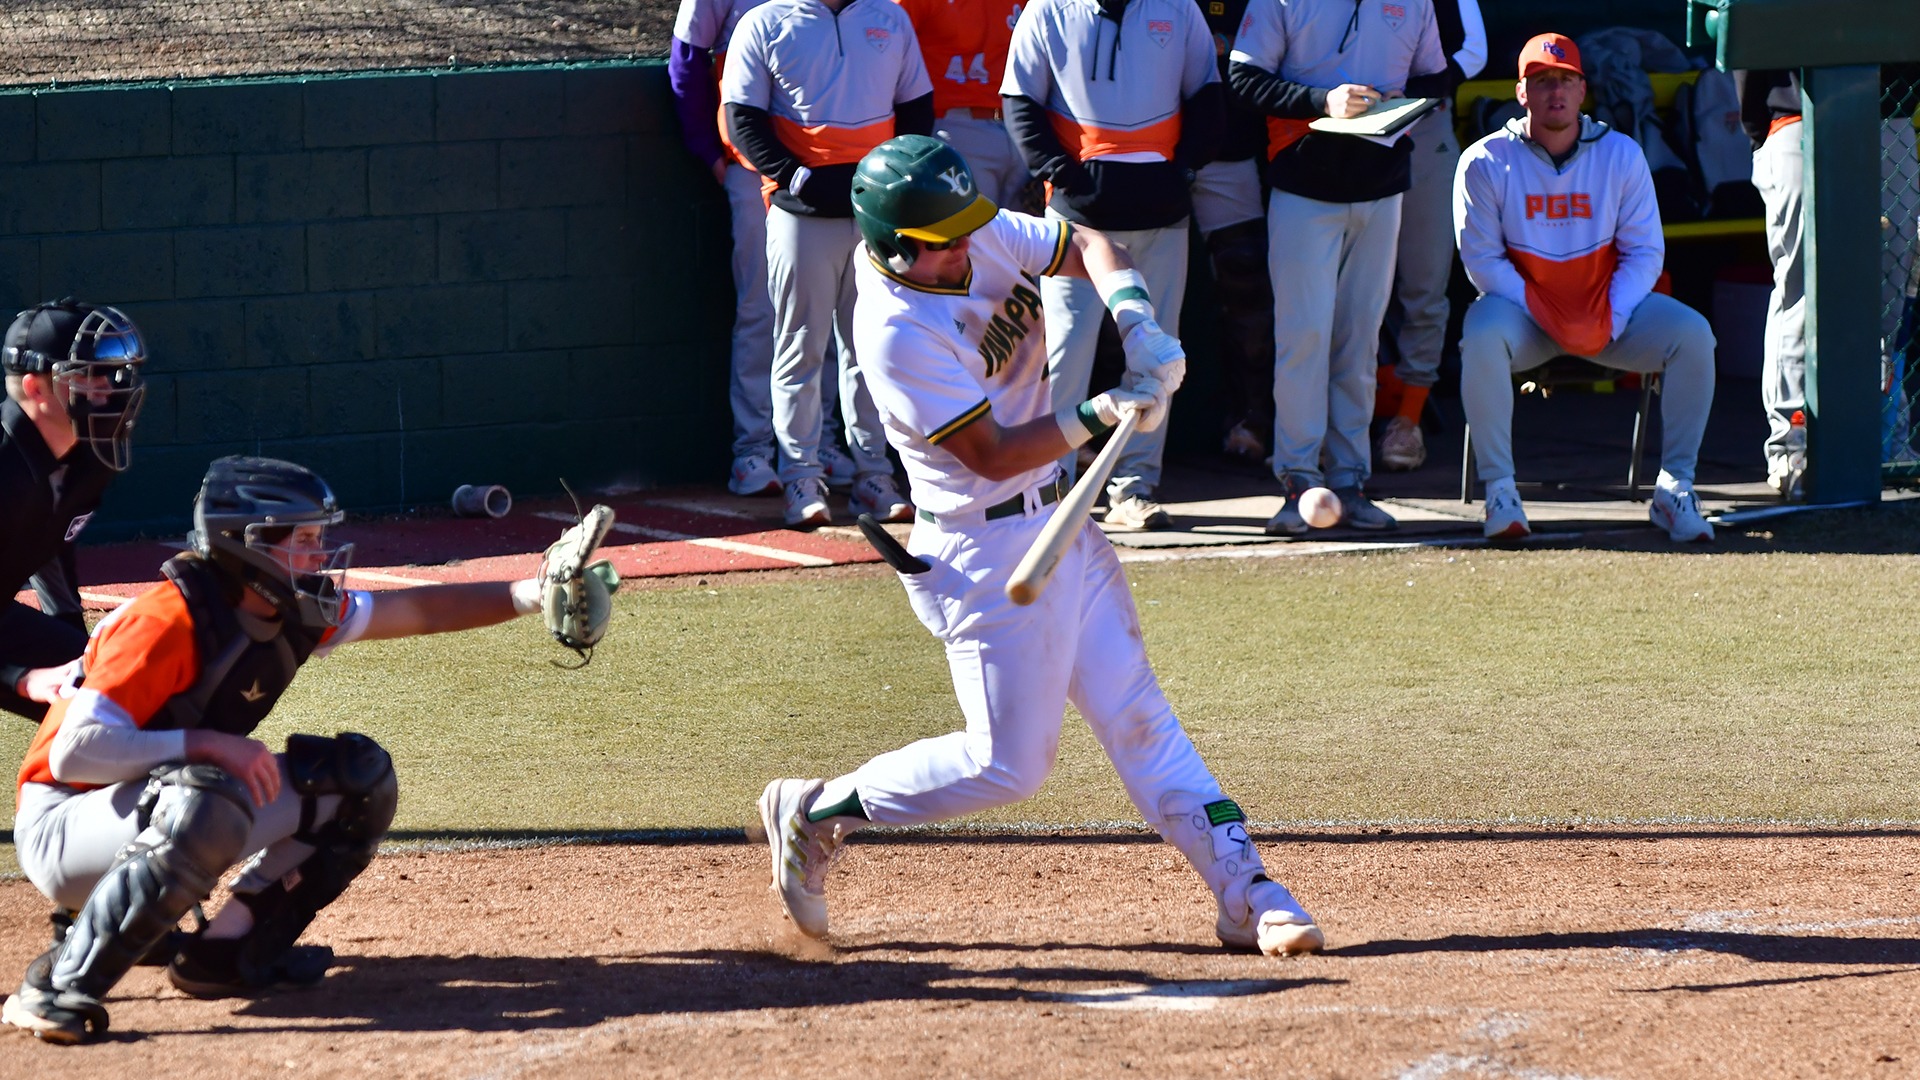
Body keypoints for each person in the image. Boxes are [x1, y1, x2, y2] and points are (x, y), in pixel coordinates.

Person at [756, 135, 1324, 959]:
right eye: (945, 244)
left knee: (1139, 719)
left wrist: (1137, 322)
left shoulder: (970, 227)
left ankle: (1248, 890)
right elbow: (988, 452)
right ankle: (815, 811)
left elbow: (1090, 240)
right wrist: (1101, 412)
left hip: (1063, 523)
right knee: (1008, 767)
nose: (968, 248)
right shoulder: (894, 331)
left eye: (966, 230)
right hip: (984, 558)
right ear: (893, 248)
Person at [0, 456, 609, 1044]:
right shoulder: (167, 618)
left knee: (356, 782)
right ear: (250, 544)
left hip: (157, 808)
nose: (320, 556)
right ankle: (54, 986)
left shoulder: (286, 603)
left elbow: (417, 608)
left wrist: (531, 593)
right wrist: (208, 744)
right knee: (209, 792)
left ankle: (225, 954)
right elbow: (73, 756)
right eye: (306, 539)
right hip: (62, 823)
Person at [1453, 34, 1716, 542]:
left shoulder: (1621, 153)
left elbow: (1645, 253)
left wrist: (1608, 317)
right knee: (1480, 332)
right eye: (1542, 81)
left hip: (1607, 317)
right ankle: (1501, 493)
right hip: (1526, 317)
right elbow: (1481, 261)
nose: (1556, 91)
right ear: (1521, 92)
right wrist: (1544, 308)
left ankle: (1674, 489)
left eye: (1566, 81)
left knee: (1694, 335)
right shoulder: (1484, 161)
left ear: (1582, 90)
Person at [1001, 0, 1225, 530]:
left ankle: (1134, 488)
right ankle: (1049, 488)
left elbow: (1209, 99)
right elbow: (1019, 103)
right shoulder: (1047, 10)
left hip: (1161, 215)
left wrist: (1184, 171)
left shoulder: (1180, 8)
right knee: (1062, 354)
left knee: (1155, 354)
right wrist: (1063, 174)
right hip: (1076, 223)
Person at [1228, 0, 1446, 536]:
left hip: (1382, 185)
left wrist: (1406, 101)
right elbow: (1243, 77)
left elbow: (1436, 76)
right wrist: (1321, 100)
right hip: (1305, 183)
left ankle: (1350, 481)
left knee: (1361, 340)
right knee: (1303, 337)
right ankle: (1298, 480)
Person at [722, 0, 935, 528]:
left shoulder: (889, 16)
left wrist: (895, 186)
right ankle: (801, 477)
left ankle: (872, 475)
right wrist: (794, 178)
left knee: (874, 347)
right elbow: (741, 117)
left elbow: (917, 108)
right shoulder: (764, 21)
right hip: (801, 214)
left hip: (875, 213)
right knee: (800, 349)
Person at [0, 300, 146, 722]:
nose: (107, 386)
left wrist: (71, 642)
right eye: (87, 373)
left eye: (113, 371)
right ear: (35, 387)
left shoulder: (89, 458)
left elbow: (51, 537)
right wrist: (21, 678)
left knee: (120, 689)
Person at [1374, 0, 1486, 472]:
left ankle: (1408, 419)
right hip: (1350, 126)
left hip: (1425, 122)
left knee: (1425, 284)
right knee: (1350, 294)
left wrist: (1417, 90)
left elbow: (1473, 51)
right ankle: (1346, 421)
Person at [1193, 0, 1278, 468]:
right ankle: (1103, 434)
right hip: (1140, 151)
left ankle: (1254, 420)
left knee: (1244, 284)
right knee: (1116, 291)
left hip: (1227, 148)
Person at [1734, 67, 1806, 500]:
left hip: (1888, 114)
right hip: (1794, 116)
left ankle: (1884, 441)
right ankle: (1791, 449)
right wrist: (1763, 137)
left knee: (1886, 297)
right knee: (1800, 292)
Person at [894, 0, 1031, 210]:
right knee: (971, 235)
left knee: (1022, 239)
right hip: (957, 128)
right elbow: (887, 51)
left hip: (1022, 125)